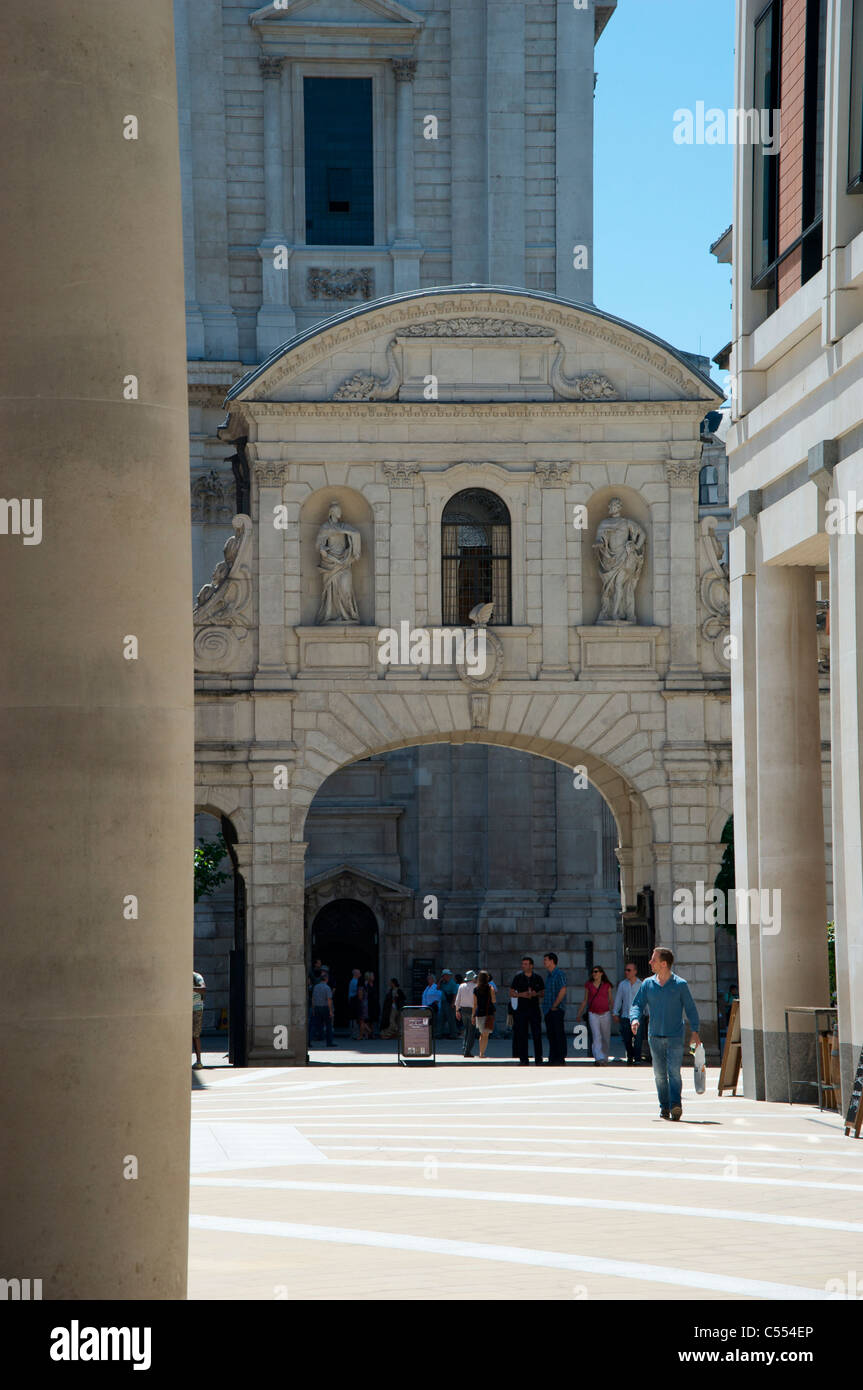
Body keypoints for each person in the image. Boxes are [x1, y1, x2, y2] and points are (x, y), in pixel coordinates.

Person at [630, 947, 701, 1120]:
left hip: (675, 1036)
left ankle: (676, 1104)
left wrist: (695, 1032)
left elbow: (691, 1009)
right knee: (660, 1075)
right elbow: (637, 1004)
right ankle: (664, 1106)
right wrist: (634, 1019)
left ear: (663, 964)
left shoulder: (680, 985)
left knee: (674, 1072)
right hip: (654, 1036)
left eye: (653, 960)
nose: (650, 962)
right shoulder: (648, 984)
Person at [510, 956, 544, 1065]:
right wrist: (521, 994)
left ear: (531, 965)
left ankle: (539, 1059)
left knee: (537, 1035)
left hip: (534, 1009)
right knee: (522, 1035)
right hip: (521, 1010)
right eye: (523, 964)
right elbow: (511, 992)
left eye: (526, 964)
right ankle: (523, 1059)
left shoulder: (537, 978)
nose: (523, 966)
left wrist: (536, 993)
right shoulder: (518, 978)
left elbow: (543, 993)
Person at [577, 966, 614, 1065]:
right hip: (593, 1013)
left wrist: (613, 1012)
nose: (594, 974)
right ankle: (599, 1058)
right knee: (596, 1036)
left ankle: (605, 1057)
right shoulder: (588, 985)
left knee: (605, 1037)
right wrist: (579, 1013)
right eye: (593, 972)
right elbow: (585, 1000)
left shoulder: (607, 985)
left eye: (596, 972)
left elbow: (610, 1000)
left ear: (601, 973)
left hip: (605, 1013)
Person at [613, 961, 644, 1066]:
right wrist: (615, 1013)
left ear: (635, 971)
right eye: (625, 970)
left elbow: (645, 1000)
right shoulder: (622, 984)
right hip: (625, 1016)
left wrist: (648, 1013)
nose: (626, 972)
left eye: (629, 970)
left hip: (639, 1016)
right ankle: (630, 1056)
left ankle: (637, 1058)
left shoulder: (641, 984)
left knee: (638, 1039)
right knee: (626, 1039)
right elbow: (618, 999)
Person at [542, 952, 567, 1065]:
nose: (544, 962)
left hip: (556, 1010)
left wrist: (555, 1005)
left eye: (546, 960)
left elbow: (562, 990)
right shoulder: (549, 975)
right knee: (551, 1035)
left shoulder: (559, 974)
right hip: (548, 1010)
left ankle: (560, 1058)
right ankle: (552, 1059)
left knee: (558, 1034)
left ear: (552, 961)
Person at [471, 971, 496, 1059]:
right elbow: (494, 1001)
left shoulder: (476, 989)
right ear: (487, 978)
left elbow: (475, 1004)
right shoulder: (490, 988)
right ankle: (482, 1053)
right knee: (486, 1034)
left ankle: (481, 1053)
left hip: (479, 1013)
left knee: (482, 1034)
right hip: (489, 1013)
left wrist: (473, 1015)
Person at [454, 970, 479, 1057]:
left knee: (466, 1029)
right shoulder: (476, 987)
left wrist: (457, 1010)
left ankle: (464, 1048)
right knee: (471, 1032)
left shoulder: (461, 986)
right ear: (473, 978)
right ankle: (467, 1051)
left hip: (463, 1010)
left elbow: (457, 1000)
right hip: (472, 1010)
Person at [311, 970, 336, 1048]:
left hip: (317, 1007)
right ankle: (329, 1042)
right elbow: (329, 1000)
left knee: (314, 1026)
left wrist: (313, 1009)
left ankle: (308, 1041)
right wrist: (331, 1011)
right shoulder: (327, 988)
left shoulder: (315, 987)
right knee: (328, 1026)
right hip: (325, 1008)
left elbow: (313, 998)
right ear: (326, 979)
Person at [436, 968, 458, 1039]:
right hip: (443, 1002)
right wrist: (440, 981)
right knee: (441, 1018)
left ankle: (453, 1034)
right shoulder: (443, 983)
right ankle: (439, 1034)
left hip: (449, 1003)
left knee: (451, 1019)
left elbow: (455, 994)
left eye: (448, 975)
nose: (447, 977)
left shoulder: (452, 983)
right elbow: (437, 988)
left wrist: (453, 1003)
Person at [192, 970, 206, 1069]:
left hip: (196, 1009)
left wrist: (190, 988)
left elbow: (203, 988)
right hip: (185, 1009)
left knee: (195, 1035)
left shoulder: (197, 976)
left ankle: (199, 1061)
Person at [347, 967, 362, 1039]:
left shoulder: (353, 981)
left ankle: (354, 1033)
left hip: (353, 1000)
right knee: (355, 1018)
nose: (360, 974)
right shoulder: (355, 981)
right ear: (356, 974)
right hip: (354, 1001)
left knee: (354, 1018)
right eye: (359, 973)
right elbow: (358, 992)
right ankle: (355, 1034)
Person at [365, 971, 379, 1038]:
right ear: (369, 977)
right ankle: (368, 1034)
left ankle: (372, 1034)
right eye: (372, 976)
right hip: (368, 1003)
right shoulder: (366, 984)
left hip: (374, 1004)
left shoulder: (374, 984)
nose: (373, 977)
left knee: (372, 1020)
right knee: (367, 1019)